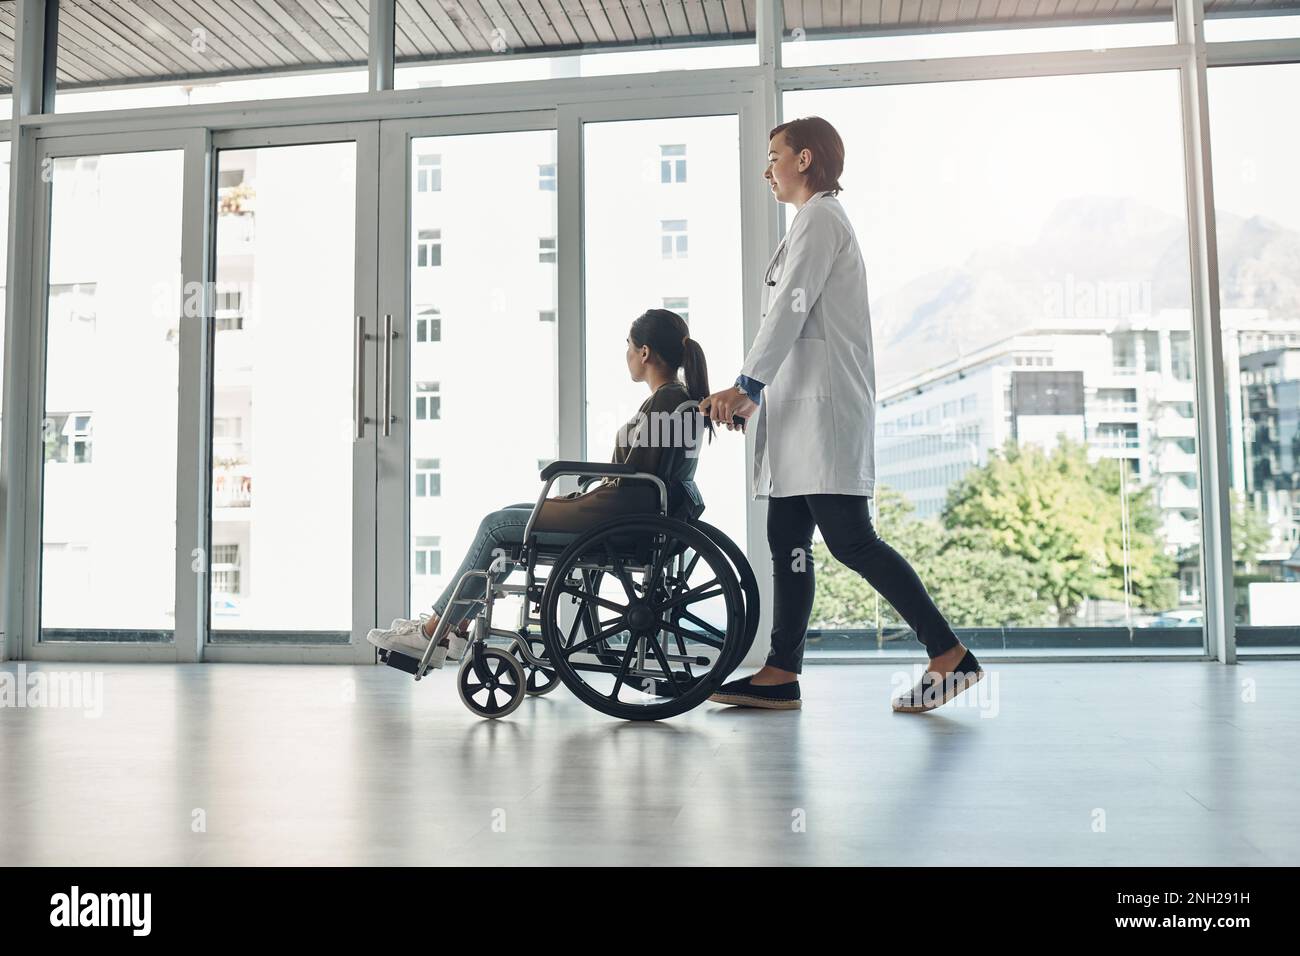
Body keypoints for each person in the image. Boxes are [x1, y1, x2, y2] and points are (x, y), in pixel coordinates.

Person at [700, 116, 984, 713]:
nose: (766, 169)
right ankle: (781, 671)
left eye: (774, 155)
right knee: (787, 540)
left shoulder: (822, 219)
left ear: (804, 159)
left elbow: (788, 315)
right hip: (800, 419)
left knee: (852, 541)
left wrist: (745, 384)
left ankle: (949, 655)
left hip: (823, 418)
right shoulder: (808, 224)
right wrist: (756, 389)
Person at [367, 308, 714, 669]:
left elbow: (637, 483)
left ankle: (435, 630)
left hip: (618, 519)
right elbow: (641, 477)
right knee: (509, 516)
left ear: (645, 352)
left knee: (495, 526)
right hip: (623, 514)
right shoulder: (676, 399)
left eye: (628, 346)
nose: (626, 355)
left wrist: (582, 495)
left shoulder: (666, 402)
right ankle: (456, 625)